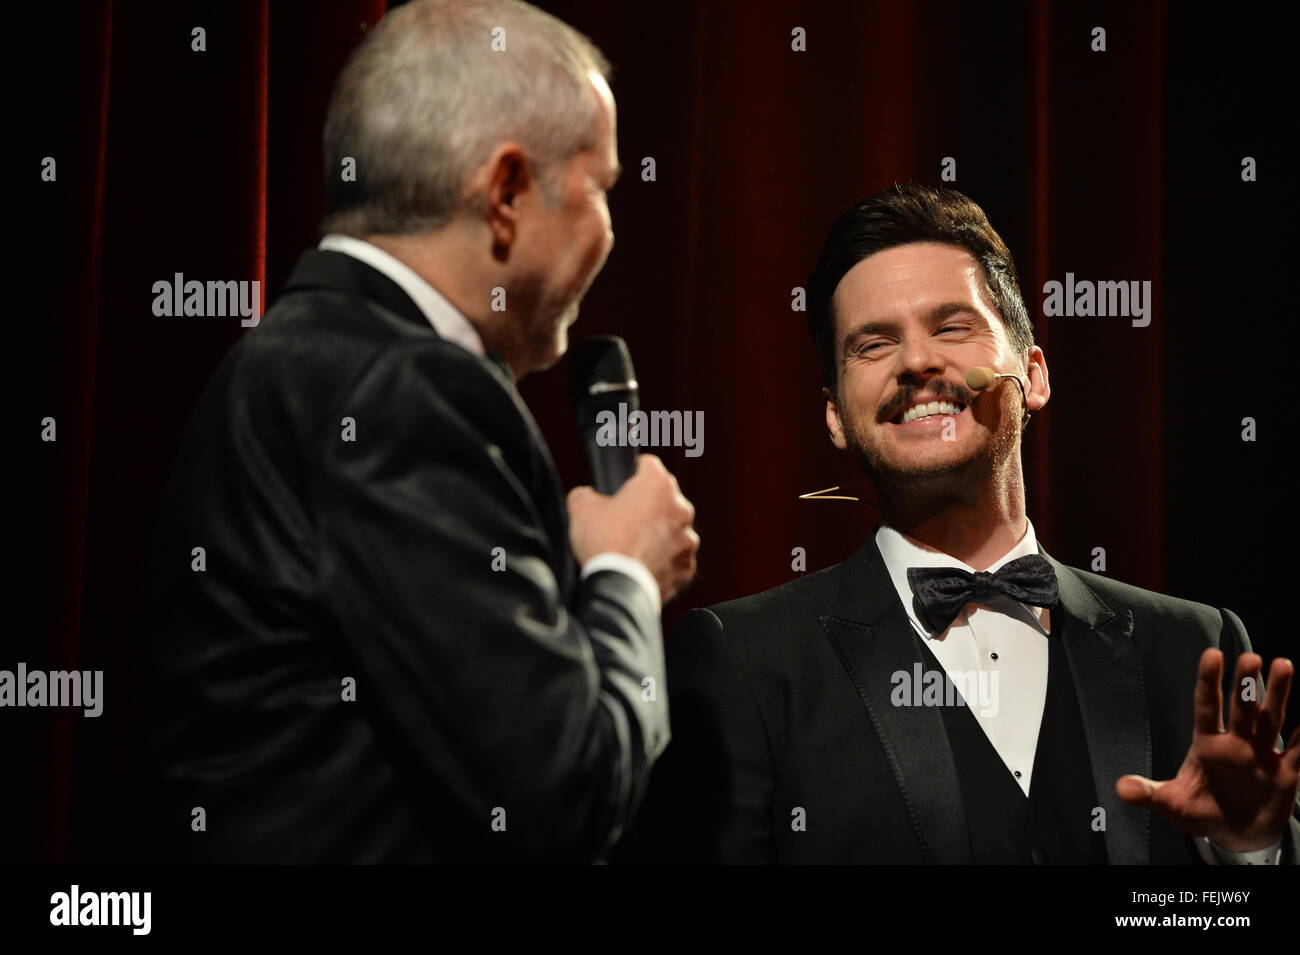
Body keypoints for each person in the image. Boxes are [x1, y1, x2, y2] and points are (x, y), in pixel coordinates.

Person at [129, 0, 698, 863]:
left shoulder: (301, 353)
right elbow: (565, 793)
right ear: (506, 192)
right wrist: (626, 570)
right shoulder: (404, 388)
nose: (612, 231)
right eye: (602, 189)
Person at [628, 183, 1299, 864]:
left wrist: (1250, 847)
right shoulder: (742, 662)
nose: (917, 362)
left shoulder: (1195, 647)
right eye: (873, 344)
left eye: (952, 326)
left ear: (1033, 374)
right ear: (835, 415)